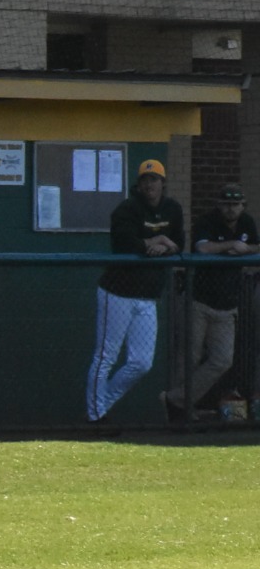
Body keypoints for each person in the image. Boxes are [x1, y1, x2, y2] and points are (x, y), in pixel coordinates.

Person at [87, 159, 184, 426]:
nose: (149, 184)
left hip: (148, 295)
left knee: (141, 363)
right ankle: (96, 416)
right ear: (138, 184)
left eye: (154, 180)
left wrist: (164, 245)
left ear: (163, 183)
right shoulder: (127, 209)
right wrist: (153, 241)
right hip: (117, 292)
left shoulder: (172, 209)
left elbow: (180, 242)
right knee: (105, 356)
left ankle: (101, 403)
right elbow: (124, 243)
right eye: (145, 180)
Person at [168, 183, 258, 419]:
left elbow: (256, 246)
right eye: (226, 204)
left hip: (228, 305)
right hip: (198, 301)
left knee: (222, 360)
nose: (231, 209)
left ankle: (175, 400)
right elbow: (203, 248)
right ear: (219, 204)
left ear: (243, 205)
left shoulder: (247, 222)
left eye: (235, 204)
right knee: (189, 357)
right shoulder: (207, 221)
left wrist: (246, 249)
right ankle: (181, 412)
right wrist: (231, 245)